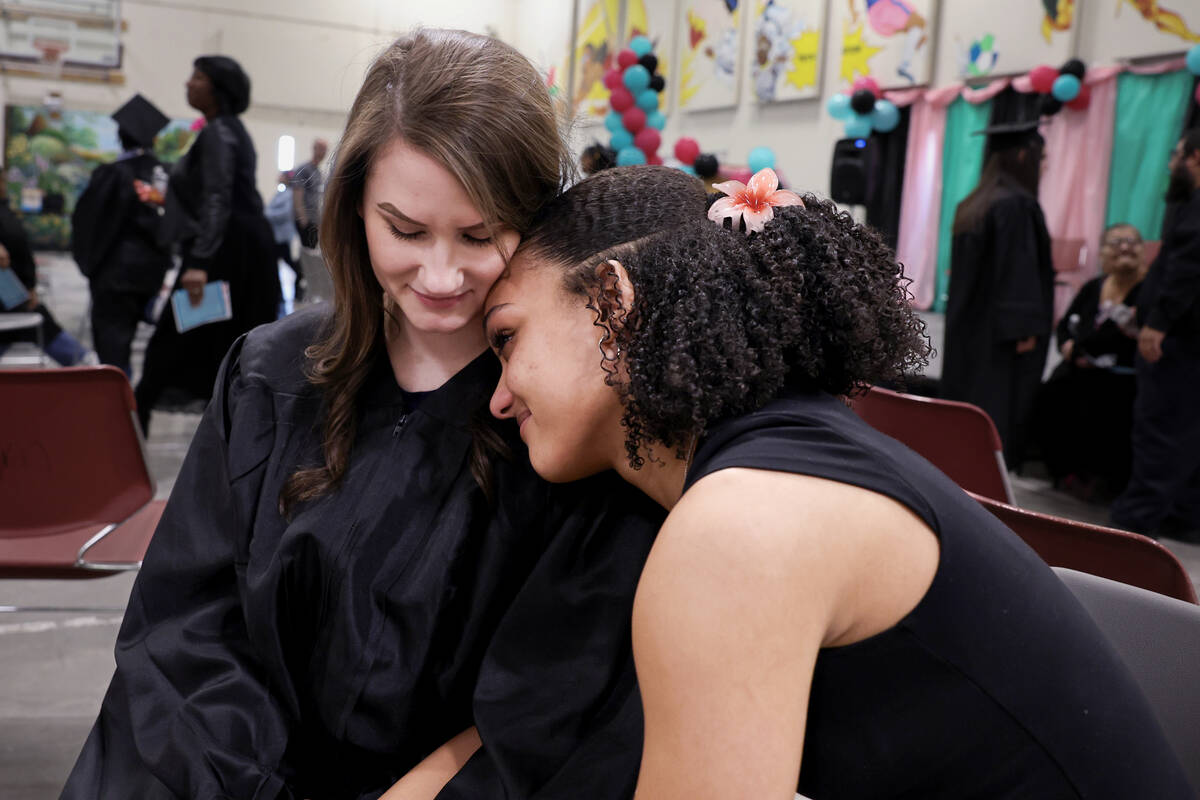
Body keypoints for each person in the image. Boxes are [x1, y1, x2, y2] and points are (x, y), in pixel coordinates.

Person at [61, 30, 661, 800]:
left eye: (481, 235)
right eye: (404, 231)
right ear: (353, 210)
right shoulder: (269, 377)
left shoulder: (571, 424)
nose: (441, 277)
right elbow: (189, 629)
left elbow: (557, 698)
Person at [481, 165, 1193, 799]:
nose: (499, 397)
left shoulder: (741, 525)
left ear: (615, 301)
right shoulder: (791, 448)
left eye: (507, 338)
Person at [133, 55, 281, 433]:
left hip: (223, 253)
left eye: (197, 77)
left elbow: (218, 198)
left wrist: (199, 260)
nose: (188, 84)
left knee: (171, 346)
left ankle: (130, 437)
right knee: (225, 349)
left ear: (218, 89)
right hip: (237, 248)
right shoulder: (230, 130)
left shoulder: (220, 133)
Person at [942, 119, 1055, 467]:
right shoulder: (1016, 205)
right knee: (996, 407)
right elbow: (1018, 271)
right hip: (1003, 334)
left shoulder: (972, 204)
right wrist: (1023, 329)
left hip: (969, 325)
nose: (1044, 165)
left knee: (967, 403)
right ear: (1023, 155)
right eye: (1042, 158)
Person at [1112, 129, 1200, 540]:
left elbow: (1187, 271)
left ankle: (1137, 525)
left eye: (1176, 155)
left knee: (1162, 431)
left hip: (1179, 344)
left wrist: (1158, 321)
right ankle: (1182, 517)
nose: (1170, 165)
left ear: (1196, 157)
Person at [1031, 223, 1144, 500]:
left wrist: (1080, 350)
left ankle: (1100, 478)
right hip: (1079, 368)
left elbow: (1120, 339)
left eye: (1132, 241)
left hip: (1121, 375)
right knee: (1050, 394)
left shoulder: (1148, 291)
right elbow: (1064, 326)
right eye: (1116, 242)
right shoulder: (1094, 286)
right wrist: (1067, 345)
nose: (1125, 247)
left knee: (1105, 403)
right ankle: (1064, 470)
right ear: (1103, 251)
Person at [71, 94, 173, 375]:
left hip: (115, 277)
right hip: (152, 276)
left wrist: (90, 265)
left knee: (113, 348)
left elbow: (89, 221)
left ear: (120, 136)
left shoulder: (112, 174)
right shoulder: (164, 174)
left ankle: (116, 406)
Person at [0, 195, 93, 365]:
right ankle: (84, 364)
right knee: (38, 323)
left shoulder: (8, 212)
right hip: (15, 302)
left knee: (38, 322)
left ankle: (84, 363)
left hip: (16, 295)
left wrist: (29, 286)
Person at [265, 170, 301, 301]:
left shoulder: (289, 194)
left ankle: (300, 283)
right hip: (275, 236)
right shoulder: (280, 193)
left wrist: (267, 215)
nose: (278, 176)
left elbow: (285, 213)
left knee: (289, 262)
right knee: (274, 264)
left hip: (283, 236)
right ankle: (278, 293)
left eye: (281, 175)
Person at [292, 137, 328, 249]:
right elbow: (297, 194)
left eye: (325, 150)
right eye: (321, 149)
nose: (323, 153)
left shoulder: (317, 171)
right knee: (307, 250)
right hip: (305, 220)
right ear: (314, 149)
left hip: (313, 220)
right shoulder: (304, 169)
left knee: (312, 248)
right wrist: (302, 218)